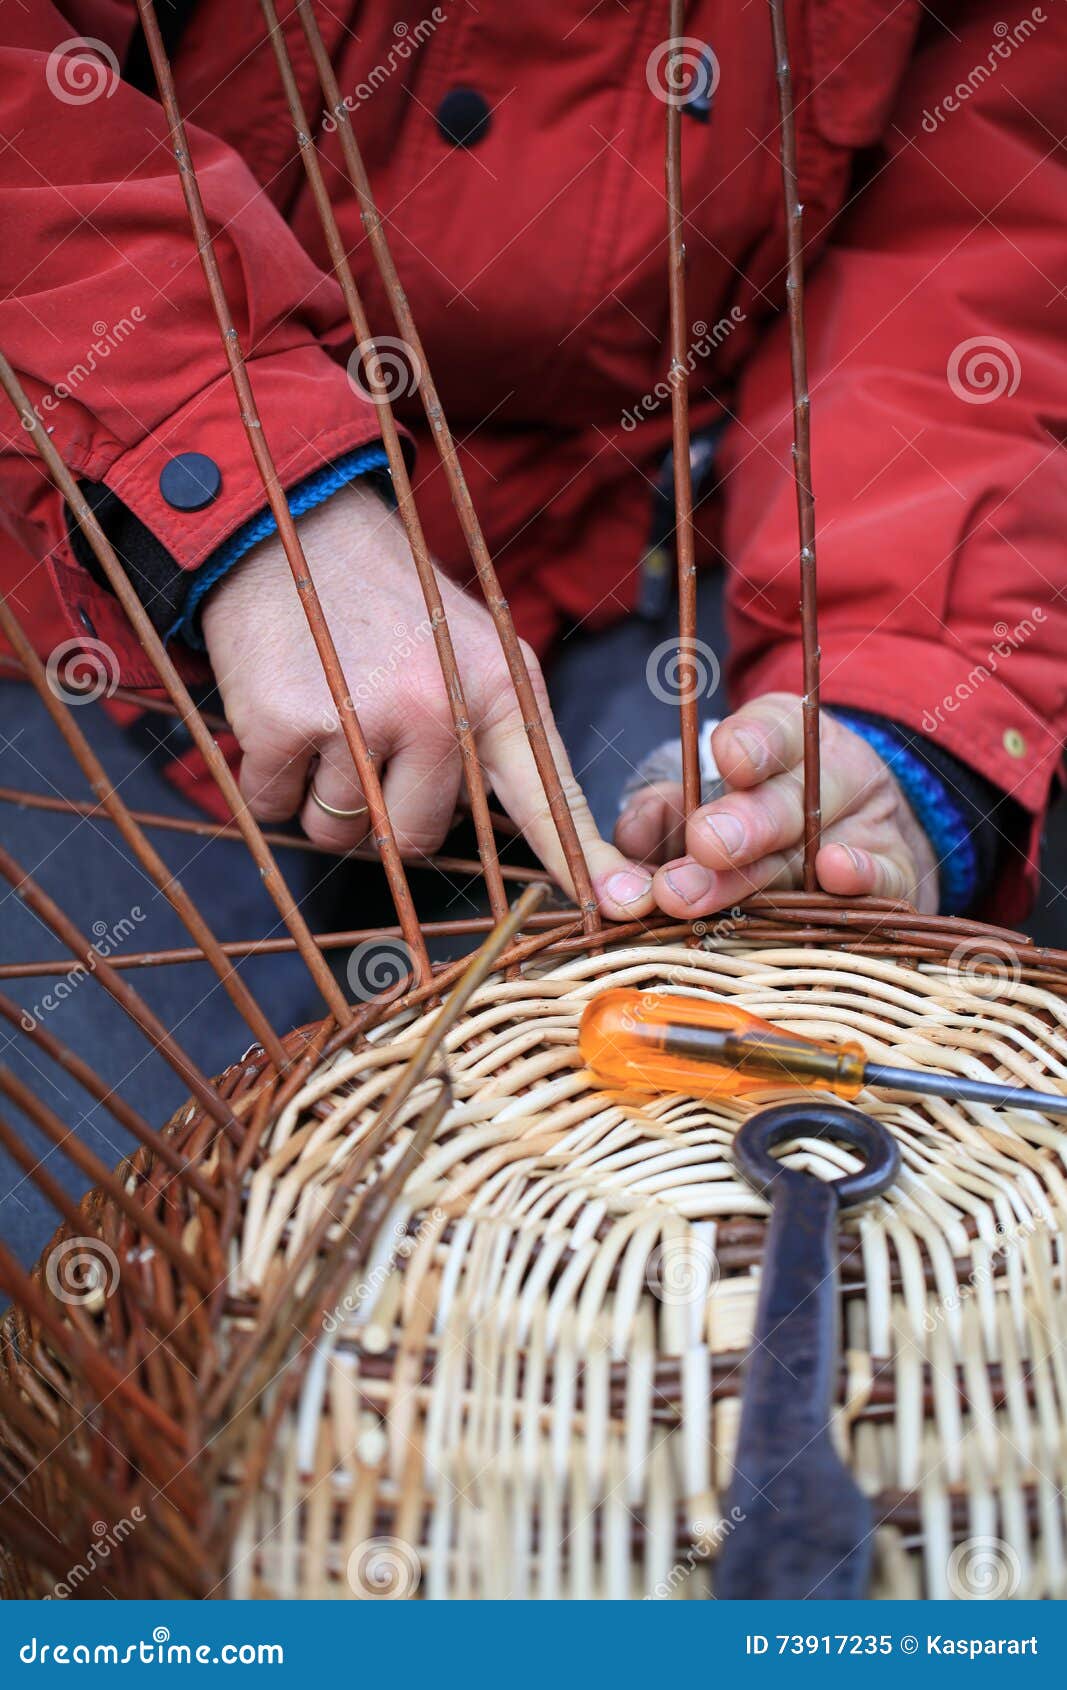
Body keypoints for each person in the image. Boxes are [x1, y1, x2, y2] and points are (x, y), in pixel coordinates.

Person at [1, 3, 1064, 1188]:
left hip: (637, 539)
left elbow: (987, 213)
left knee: (712, 1158)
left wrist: (907, 689)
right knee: (145, 1217)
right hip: (61, 556)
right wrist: (238, 488)